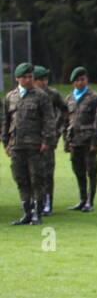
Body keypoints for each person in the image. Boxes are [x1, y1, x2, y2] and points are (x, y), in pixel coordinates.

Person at [3, 62, 57, 225]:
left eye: (30, 77)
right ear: (17, 78)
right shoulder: (10, 97)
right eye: (24, 77)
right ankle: (26, 212)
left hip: (35, 145)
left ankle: (37, 213)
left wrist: (46, 140)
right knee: (21, 179)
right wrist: (6, 142)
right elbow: (5, 121)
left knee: (37, 179)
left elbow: (49, 120)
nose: (28, 80)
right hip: (17, 146)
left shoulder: (41, 96)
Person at [63, 66, 97, 212]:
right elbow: (65, 121)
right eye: (78, 80)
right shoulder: (69, 99)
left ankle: (90, 202)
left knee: (91, 171)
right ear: (74, 82)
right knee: (78, 171)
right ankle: (82, 199)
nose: (80, 83)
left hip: (88, 141)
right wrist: (66, 142)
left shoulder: (94, 98)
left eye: (83, 79)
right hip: (74, 142)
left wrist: (95, 143)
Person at [33, 66, 66, 216]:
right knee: (32, 173)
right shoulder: (28, 95)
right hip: (30, 139)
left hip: (47, 140)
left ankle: (47, 203)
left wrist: (56, 129)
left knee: (47, 172)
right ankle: (34, 202)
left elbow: (65, 110)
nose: (45, 82)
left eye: (46, 79)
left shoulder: (52, 94)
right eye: (42, 80)